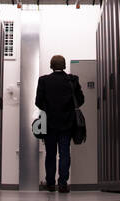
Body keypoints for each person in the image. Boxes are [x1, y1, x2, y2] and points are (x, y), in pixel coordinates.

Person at [34, 54, 84, 192]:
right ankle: (62, 183)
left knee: (50, 154)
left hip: (49, 124)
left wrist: (49, 109)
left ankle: (50, 183)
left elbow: (38, 101)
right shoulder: (72, 80)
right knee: (64, 153)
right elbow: (80, 100)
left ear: (51, 65)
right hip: (67, 124)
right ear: (64, 66)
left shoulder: (44, 80)